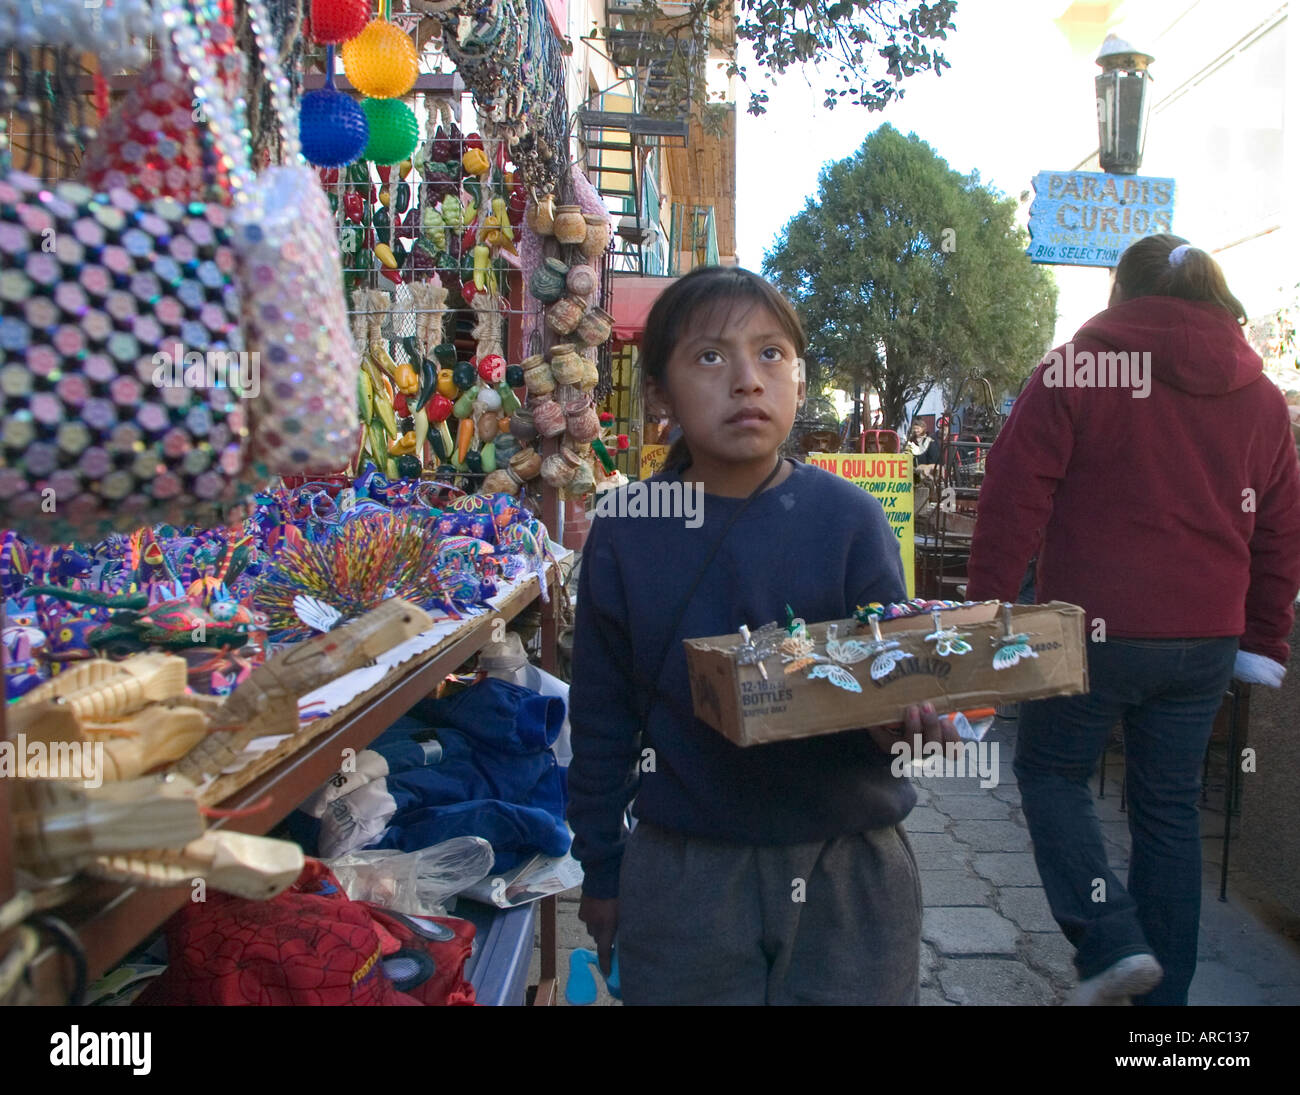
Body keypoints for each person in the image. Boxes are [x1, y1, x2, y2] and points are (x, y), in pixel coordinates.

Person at [566, 266, 957, 1005]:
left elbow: (890, 687)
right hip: (686, 876)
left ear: (800, 381)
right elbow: (601, 717)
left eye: (771, 354)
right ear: (658, 393)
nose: (748, 379)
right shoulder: (625, 531)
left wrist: (915, 726)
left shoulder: (850, 520)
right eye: (710, 356)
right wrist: (602, 867)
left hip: (851, 868)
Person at [967, 235, 1300, 1006]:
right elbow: (1281, 530)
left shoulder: (1078, 369)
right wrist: (1263, 642)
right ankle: (1163, 1011)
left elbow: (1012, 501)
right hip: (1208, 644)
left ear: (1124, 291)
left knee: (1050, 773)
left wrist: (985, 621)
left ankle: (1110, 937)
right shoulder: (1260, 398)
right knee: (1169, 810)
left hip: (1094, 635)